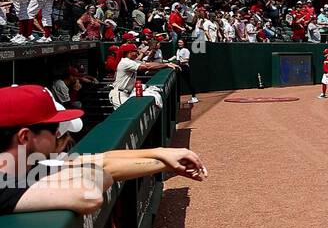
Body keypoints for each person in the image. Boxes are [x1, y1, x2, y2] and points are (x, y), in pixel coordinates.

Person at [1, 85, 207, 216]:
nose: (59, 135)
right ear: (25, 137)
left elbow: (103, 161)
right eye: (54, 129)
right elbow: (89, 194)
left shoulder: (27, 164)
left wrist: (161, 156)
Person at [110, 44, 179, 107]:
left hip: (125, 92)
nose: (137, 53)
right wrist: (165, 65)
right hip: (119, 93)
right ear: (129, 53)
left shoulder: (132, 61)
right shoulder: (126, 62)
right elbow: (147, 67)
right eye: (135, 51)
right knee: (126, 113)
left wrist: (167, 64)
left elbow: (148, 64)